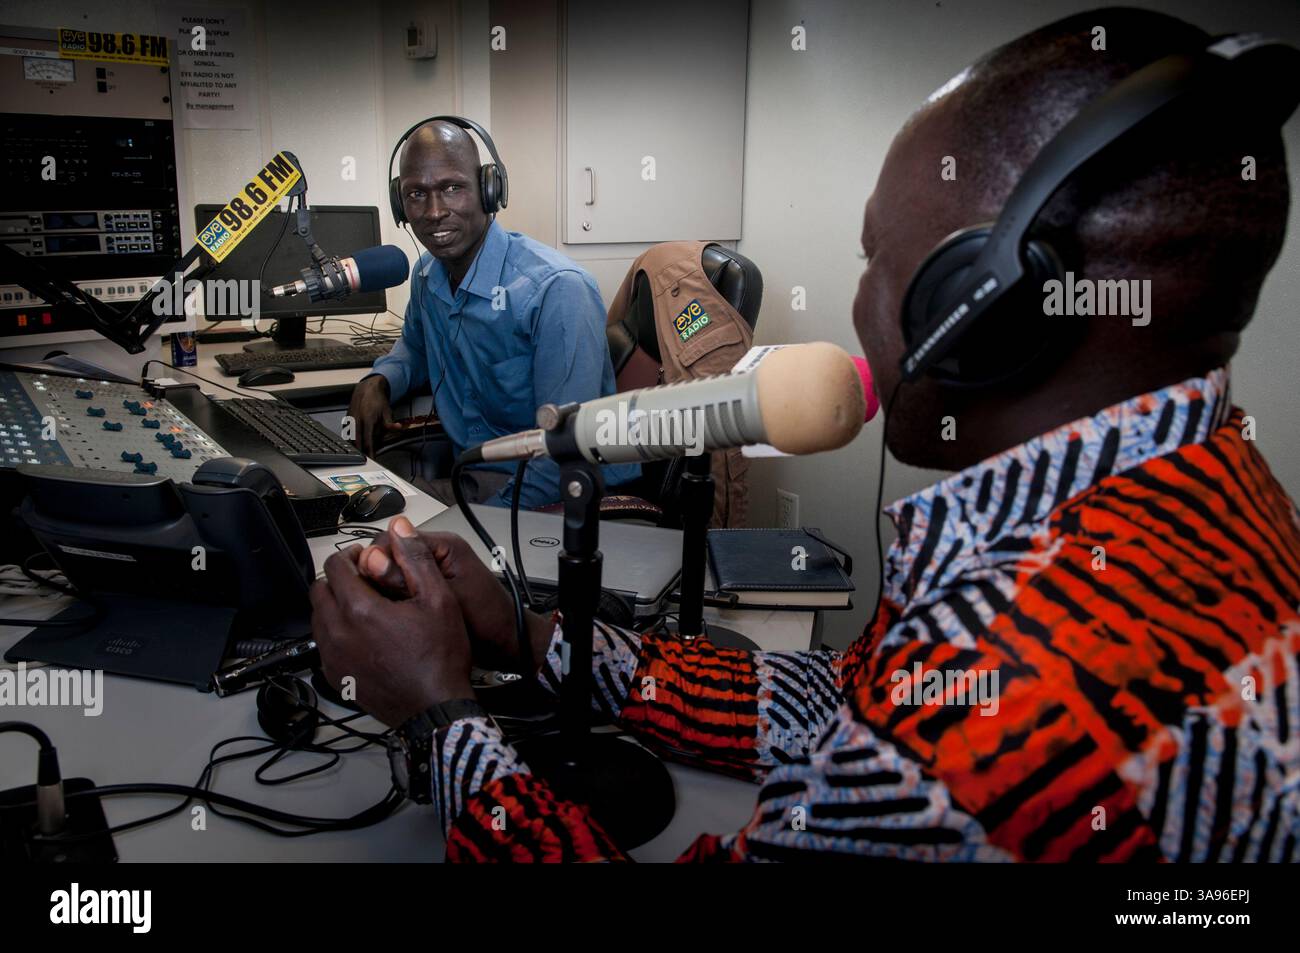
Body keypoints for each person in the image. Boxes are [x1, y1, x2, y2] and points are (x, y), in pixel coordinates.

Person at [313, 8, 1300, 861]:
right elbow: (839, 701)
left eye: (877, 260)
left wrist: (441, 716)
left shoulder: (1010, 715)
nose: (856, 301)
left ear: (983, 302)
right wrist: (532, 635)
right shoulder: (1198, 498)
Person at [349, 119, 636, 507]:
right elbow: (415, 350)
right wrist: (380, 379)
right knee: (345, 504)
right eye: (417, 194)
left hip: (549, 494)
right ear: (401, 203)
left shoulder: (557, 291)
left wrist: (477, 524)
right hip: (473, 475)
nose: (434, 212)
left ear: (489, 190)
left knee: (374, 529)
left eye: (452, 188)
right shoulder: (428, 275)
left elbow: (563, 457)